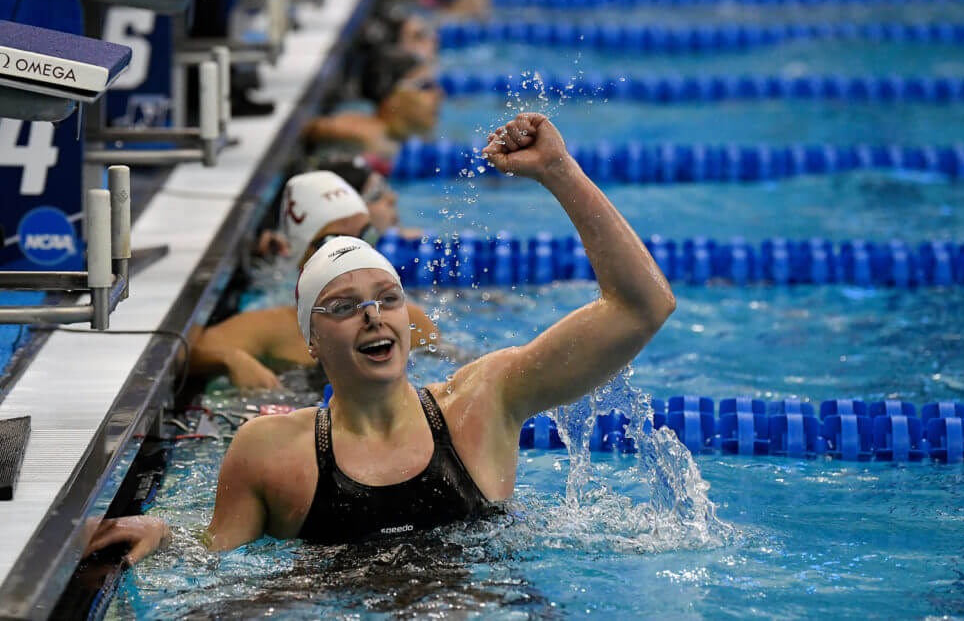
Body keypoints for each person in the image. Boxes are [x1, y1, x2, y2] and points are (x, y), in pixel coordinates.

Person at [100, 112, 676, 559]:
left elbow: (642, 308)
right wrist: (165, 536)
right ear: (311, 341)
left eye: (388, 298)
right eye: (345, 306)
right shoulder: (269, 450)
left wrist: (559, 171)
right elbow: (214, 563)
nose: (373, 315)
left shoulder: (485, 400)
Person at [190, 171, 438, 389]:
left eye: (365, 235)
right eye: (333, 241)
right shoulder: (272, 328)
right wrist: (231, 359)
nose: (354, 251)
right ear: (301, 256)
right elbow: (187, 351)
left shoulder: (411, 322)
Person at [303, 49, 442, 162]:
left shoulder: (405, 139)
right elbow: (311, 127)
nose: (439, 94)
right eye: (426, 86)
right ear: (392, 96)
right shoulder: (367, 133)